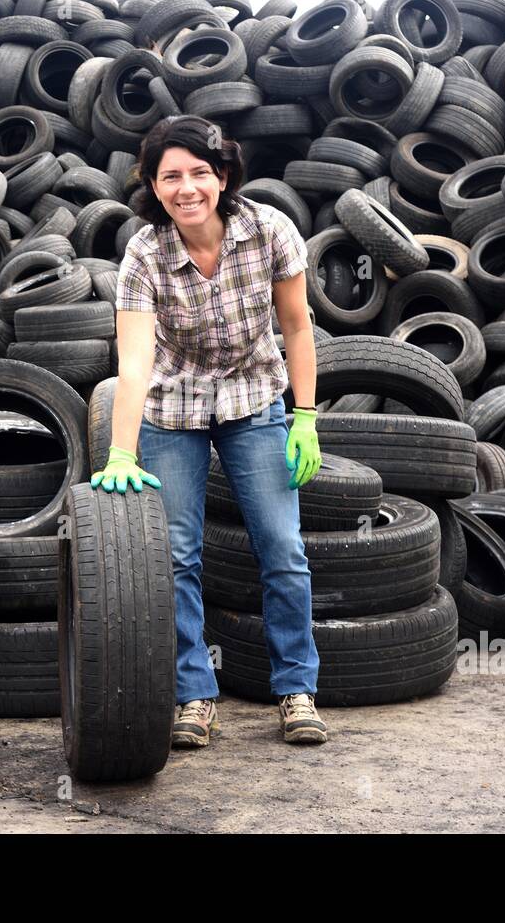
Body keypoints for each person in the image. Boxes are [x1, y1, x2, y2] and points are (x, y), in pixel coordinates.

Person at [89, 114, 327, 747]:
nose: (186, 187)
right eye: (171, 176)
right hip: (174, 406)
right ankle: (194, 696)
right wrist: (120, 448)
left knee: (282, 547)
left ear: (223, 177)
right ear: (153, 184)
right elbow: (133, 360)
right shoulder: (144, 252)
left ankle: (296, 690)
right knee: (175, 555)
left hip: (254, 398)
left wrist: (304, 415)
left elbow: (298, 326)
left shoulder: (270, 230)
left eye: (199, 172)